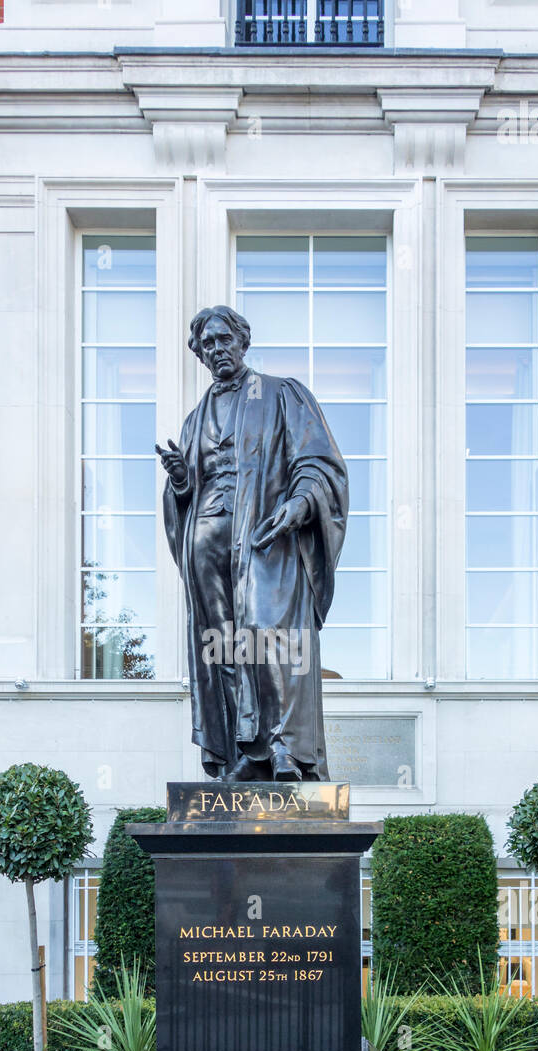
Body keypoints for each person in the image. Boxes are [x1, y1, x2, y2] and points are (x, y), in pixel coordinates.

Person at [157, 305, 348, 782]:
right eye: (207, 346)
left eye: (224, 340)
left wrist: (300, 504)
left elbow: (318, 463)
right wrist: (182, 481)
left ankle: (284, 748)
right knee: (220, 643)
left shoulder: (281, 395)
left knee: (268, 635)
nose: (216, 350)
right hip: (206, 539)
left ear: (243, 341)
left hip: (266, 538)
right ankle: (242, 750)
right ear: (199, 356)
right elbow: (185, 490)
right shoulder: (195, 419)